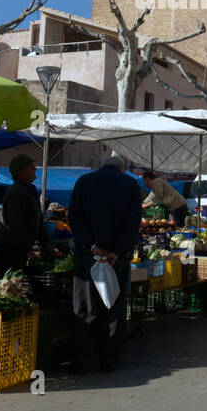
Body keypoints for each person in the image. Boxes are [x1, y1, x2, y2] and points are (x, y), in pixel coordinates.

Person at [69, 154, 143, 374]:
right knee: (113, 306)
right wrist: (116, 252)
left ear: (101, 166)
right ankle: (108, 360)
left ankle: (82, 362)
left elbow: (75, 217)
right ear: (122, 168)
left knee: (85, 307)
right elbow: (133, 222)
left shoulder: (84, 182)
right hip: (115, 259)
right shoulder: (129, 184)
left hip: (88, 256)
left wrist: (92, 246)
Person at [0, 154, 53, 278]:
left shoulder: (29, 190)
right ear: (21, 172)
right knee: (10, 288)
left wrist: (46, 243)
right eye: (31, 167)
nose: (35, 169)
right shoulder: (17, 191)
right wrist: (27, 249)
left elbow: (38, 221)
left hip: (17, 249)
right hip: (8, 250)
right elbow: (16, 224)